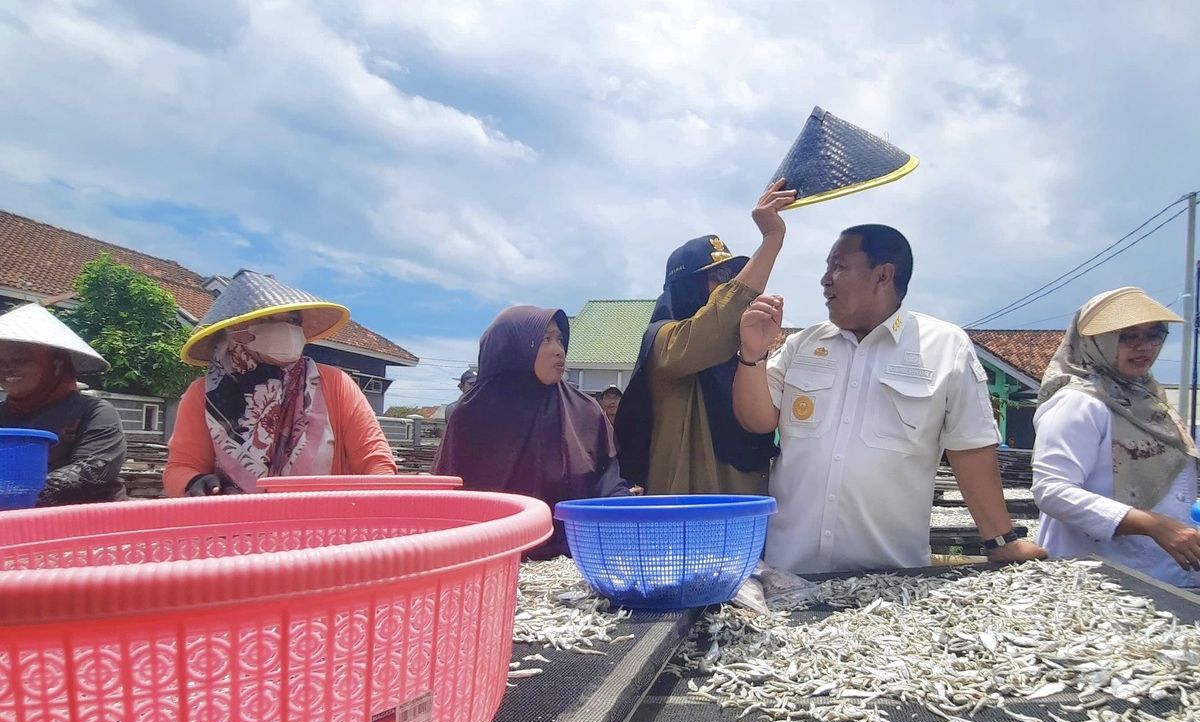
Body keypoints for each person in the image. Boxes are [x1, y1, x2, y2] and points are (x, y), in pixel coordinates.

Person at [733, 224, 1046, 573]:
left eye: (838, 266)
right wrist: (752, 353)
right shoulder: (804, 344)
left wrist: (1002, 542)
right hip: (787, 570)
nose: (825, 280)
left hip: (892, 581)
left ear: (883, 275)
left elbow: (970, 449)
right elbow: (757, 420)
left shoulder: (944, 347)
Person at [613, 179, 796, 495]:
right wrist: (771, 240)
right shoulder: (665, 343)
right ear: (687, 289)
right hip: (688, 517)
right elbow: (713, 324)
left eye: (730, 278)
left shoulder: (743, 350)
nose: (728, 286)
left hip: (748, 512)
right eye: (718, 279)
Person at [164, 269, 396, 496]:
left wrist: (379, 501)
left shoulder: (335, 385)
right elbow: (181, 467)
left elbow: (376, 460)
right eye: (267, 319)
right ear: (234, 332)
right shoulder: (203, 395)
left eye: (293, 320)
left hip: (326, 528)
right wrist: (193, 481)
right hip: (235, 527)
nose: (286, 328)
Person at [1032, 287, 1200, 586]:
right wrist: (1151, 525)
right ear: (1096, 341)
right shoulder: (1079, 402)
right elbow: (1052, 491)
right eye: (1127, 336)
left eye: (1154, 334)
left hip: (1162, 575)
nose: (1143, 346)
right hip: (1098, 580)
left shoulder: (1147, 398)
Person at [433, 305, 630, 559]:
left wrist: (624, 511)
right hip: (488, 563)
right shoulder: (472, 417)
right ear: (510, 349)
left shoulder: (584, 412)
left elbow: (608, 484)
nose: (559, 349)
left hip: (573, 563)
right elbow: (450, 506)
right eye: (545, 339)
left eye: (559, 339)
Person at [0, 303, 127, 505]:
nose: (7, 369)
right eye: (1, 362)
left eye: (20, 360)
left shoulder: (94, 412)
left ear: (56, 364)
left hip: (85, 523)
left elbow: (93, 470)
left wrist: (25, 494)